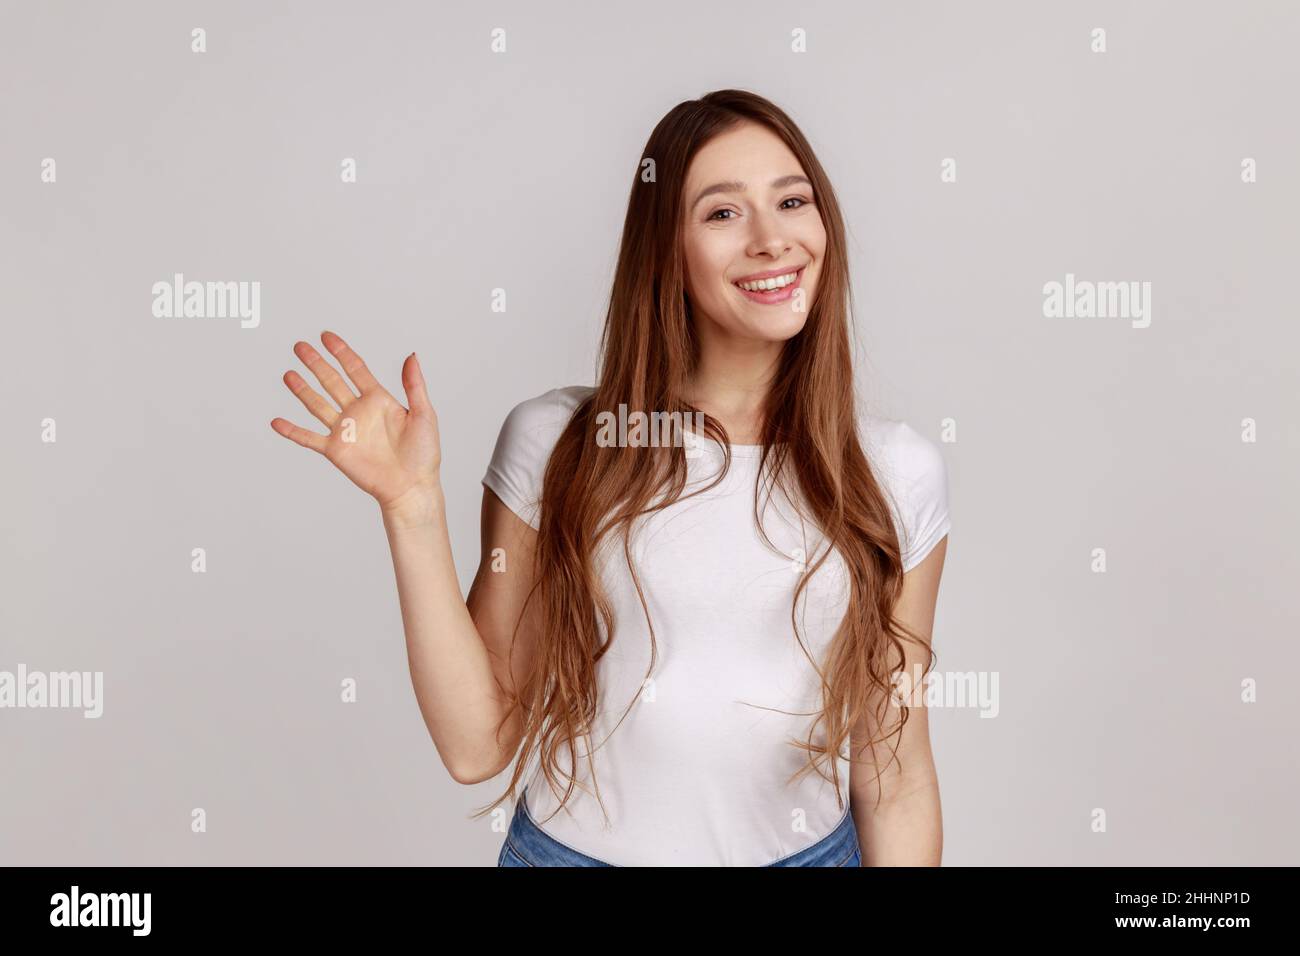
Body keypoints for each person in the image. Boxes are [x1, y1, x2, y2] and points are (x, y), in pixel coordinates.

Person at [270, 89, 951, 867]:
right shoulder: (560, 443)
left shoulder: (896, 474)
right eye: (723, 214)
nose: (771, 239)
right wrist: (411, 506)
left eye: (792, 201)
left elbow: (894, 773)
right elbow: (476, 745)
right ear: (665, 252)